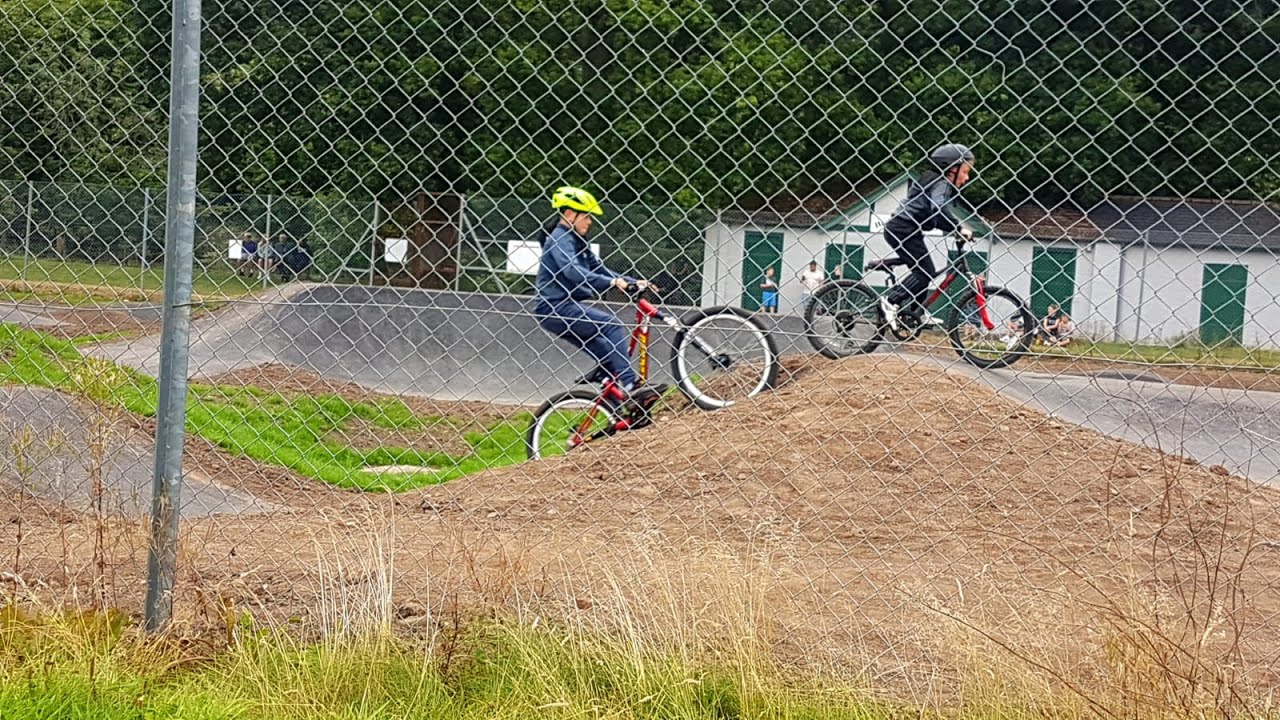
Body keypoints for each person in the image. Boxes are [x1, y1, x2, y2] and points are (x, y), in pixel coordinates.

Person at [533, 186, 666, 418]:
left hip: (563, 307)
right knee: (611, 326)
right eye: (586, 216)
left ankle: (615, 404)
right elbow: (573, 272)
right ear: (569, 214)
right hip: (554, 307)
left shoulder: (576, 240)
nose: (590, 222)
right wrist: (614, 283)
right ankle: (631, 387)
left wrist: (632, 281)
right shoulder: (559, 239)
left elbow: (599, 269)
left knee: (608, 350)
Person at [880, 143, 976, 330]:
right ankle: (891, 301)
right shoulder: (941, 183)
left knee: (925, 271)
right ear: (952, 169)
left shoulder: (933, 182)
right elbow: (937, 208)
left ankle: (917, 313)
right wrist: (958, 226)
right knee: (924, 272)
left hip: (907, 230)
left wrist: (955, 230)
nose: (967, 177)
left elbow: (934, 216)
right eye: (965, 171)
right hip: (902, 229)